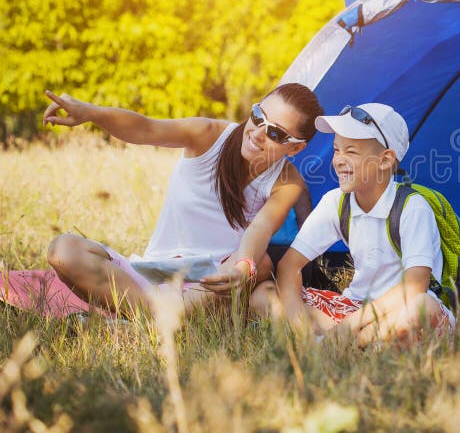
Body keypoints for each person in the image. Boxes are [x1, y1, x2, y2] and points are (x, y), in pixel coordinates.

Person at [44, 83, 323, 315]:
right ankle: (161, 320)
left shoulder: (288, 181)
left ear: (296, 148)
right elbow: (144, 129)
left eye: (275, 133)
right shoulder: (209, 135)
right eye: (258, 116)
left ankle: (144, 320)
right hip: (153, 272)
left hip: (210, 283)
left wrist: (242, 267)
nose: (259, 133)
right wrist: (91, 113)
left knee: (259, 265)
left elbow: (261, 227)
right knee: (63, 250)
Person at [257, 103, 454, 345]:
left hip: (401, 308)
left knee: (421, 307)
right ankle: (344, 342)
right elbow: (289, 267)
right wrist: (299, 326)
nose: (338, 160)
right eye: (337, 150)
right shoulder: (337, 202)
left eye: (350, 152)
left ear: (385, 160)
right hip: (354, 308)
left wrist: (345, 328)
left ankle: (344, 342)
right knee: (263, 295)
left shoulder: (413, 207)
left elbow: (415, 287)